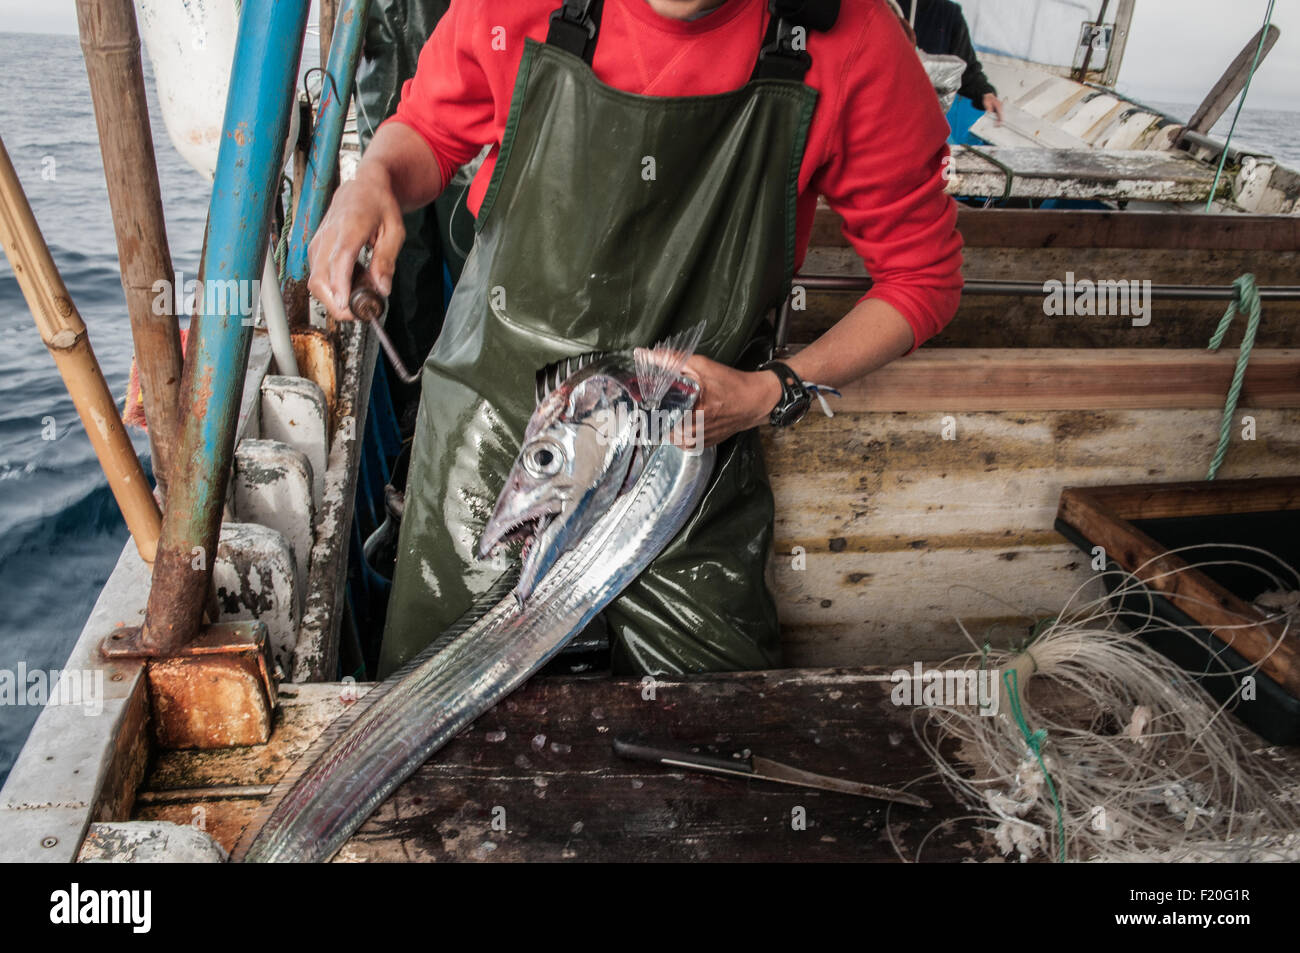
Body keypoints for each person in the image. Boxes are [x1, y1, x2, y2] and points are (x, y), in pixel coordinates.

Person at [308, 0, 964, 679]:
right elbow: (430, 129)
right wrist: (376, 175)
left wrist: (771, 390)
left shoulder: (851, 35)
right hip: (497, 425)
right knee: (433, 699)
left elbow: (924, 277)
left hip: (687, 446)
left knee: (723, 716)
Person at [902, 0, 1004, 122]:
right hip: (884, 112)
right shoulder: (885, 8)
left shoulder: (948, 13)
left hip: (924, 118)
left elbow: (966, 69)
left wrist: (985, 93)